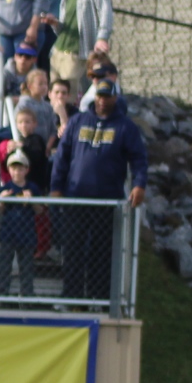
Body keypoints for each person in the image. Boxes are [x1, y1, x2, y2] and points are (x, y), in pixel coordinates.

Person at [49, 78, 144, 300]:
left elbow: (139, 159)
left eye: (107, 96)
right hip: (76, 198)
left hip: (107, 200)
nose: (102, 100)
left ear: (115, 97)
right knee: (72, 250)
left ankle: (98, 299)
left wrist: (139, 184)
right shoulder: (78, 121)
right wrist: (56, 187)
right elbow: (62, 157)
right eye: (99, 96)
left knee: (102, 252)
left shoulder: (126, 127)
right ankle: (71, 298)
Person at [0, 148, 39, 295]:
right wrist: (2, 201)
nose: (17, 172)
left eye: (20, 168)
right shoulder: (5, 188)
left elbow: (40, 211)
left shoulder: (33, 187)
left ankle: (27, 297)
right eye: (14, 168)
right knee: (4, 267)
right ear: (9, 170)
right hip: (8, 234)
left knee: (26, 268)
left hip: (27, 235)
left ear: (26, 170)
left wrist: (31, 200)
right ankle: (1, 296)